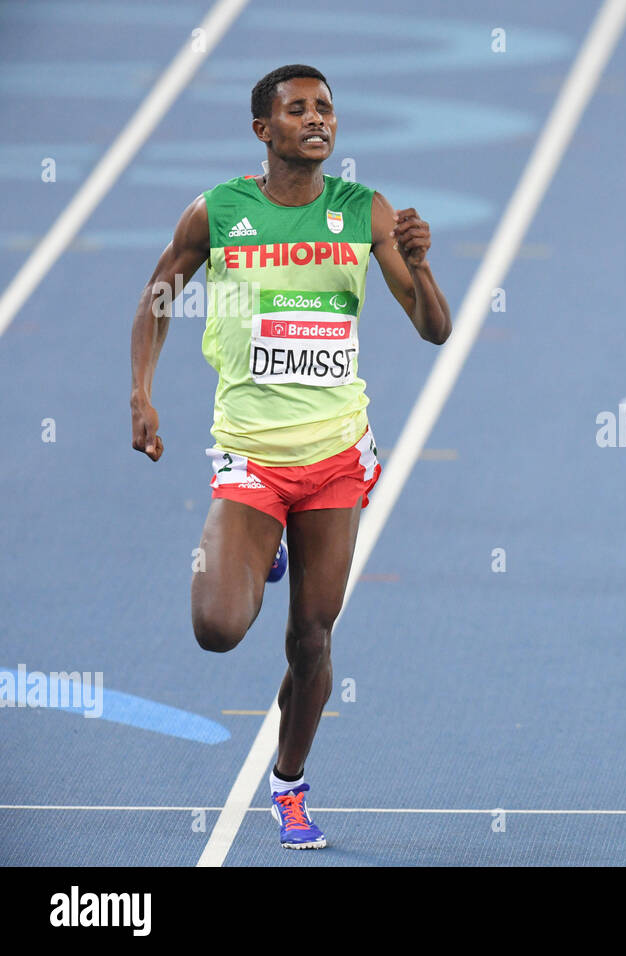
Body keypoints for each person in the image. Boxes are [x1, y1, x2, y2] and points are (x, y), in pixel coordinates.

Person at [129, 65, 451, 848]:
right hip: (251, 453)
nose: (317, 119)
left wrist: (424, 261)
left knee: (311, 638)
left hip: (335, 454)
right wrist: (142, 393)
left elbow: (433, 328)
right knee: (217, 627)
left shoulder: (362, 212)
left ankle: (289, 783)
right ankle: (256, 545)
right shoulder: (219, 213)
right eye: (297, 109)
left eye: (326, 109)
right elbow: (157, 296)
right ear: (262, 131)